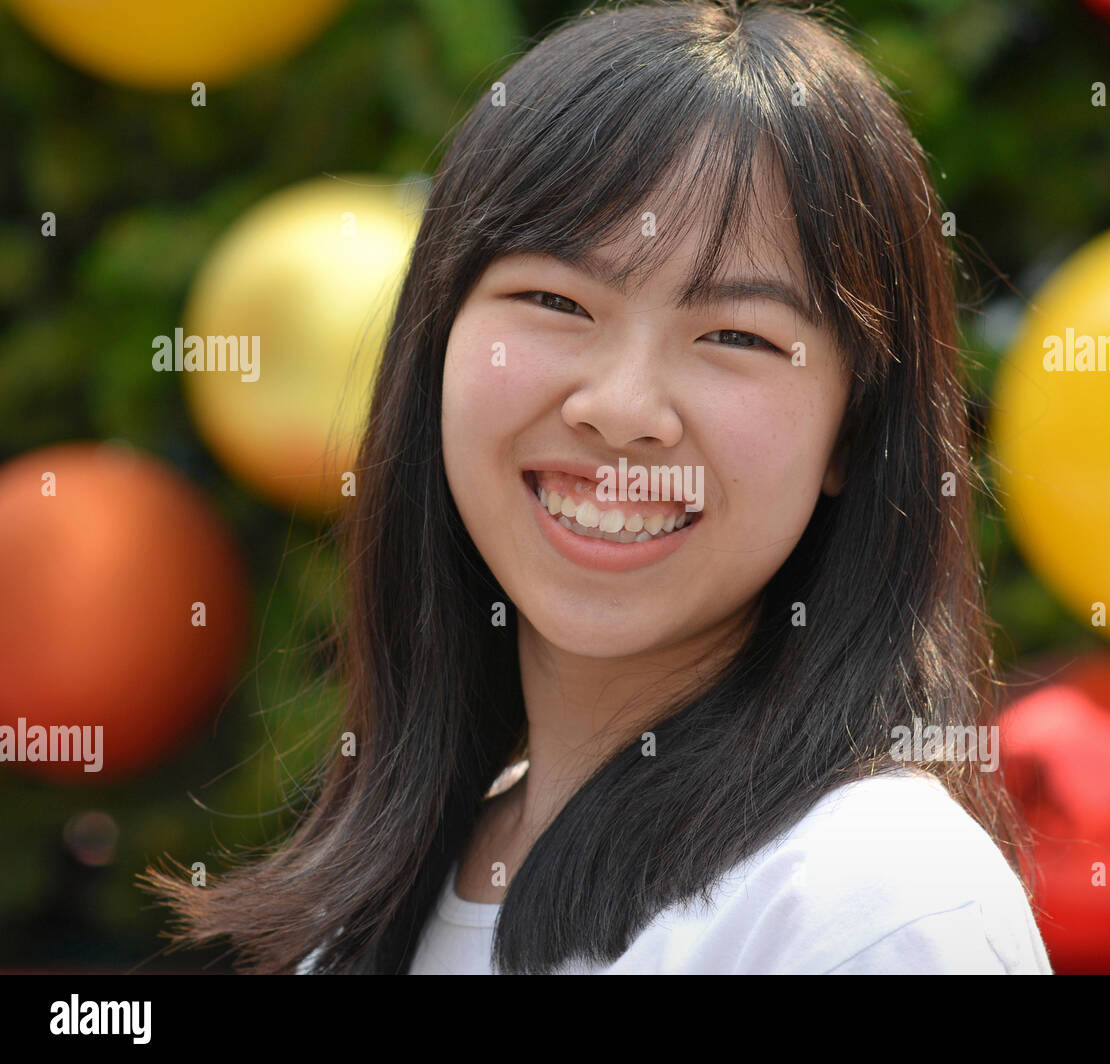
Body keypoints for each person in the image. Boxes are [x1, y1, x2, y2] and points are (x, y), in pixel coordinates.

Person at [144, 0, 1053, 975]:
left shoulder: (869, 903)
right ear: (435, 342)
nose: (622, 407)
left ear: (853, 431)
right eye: (554, 300)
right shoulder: (381, 899)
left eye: (736, 335)